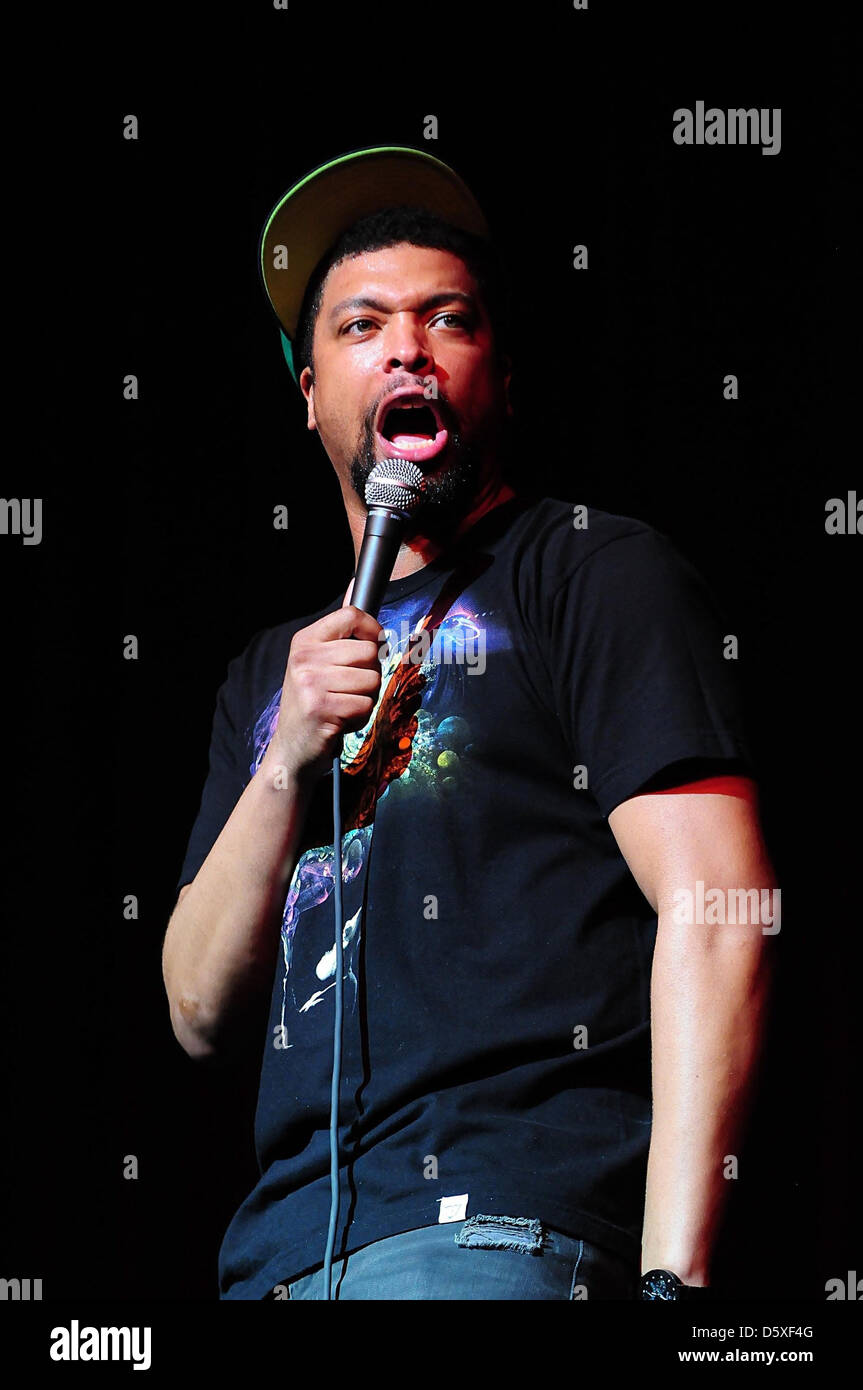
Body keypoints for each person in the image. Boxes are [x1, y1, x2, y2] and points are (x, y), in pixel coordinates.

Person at [161, 146, 776, 1301]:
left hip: (495, 1230)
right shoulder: (268, 676)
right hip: (278, 1262)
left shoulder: (587, 570)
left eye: (447, 319)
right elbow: (195, 1008)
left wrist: (670, 1285)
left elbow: (721, 907)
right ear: (307, 395)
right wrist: (283, 763)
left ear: (497, 374)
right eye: (360, 326)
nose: (407, 346)